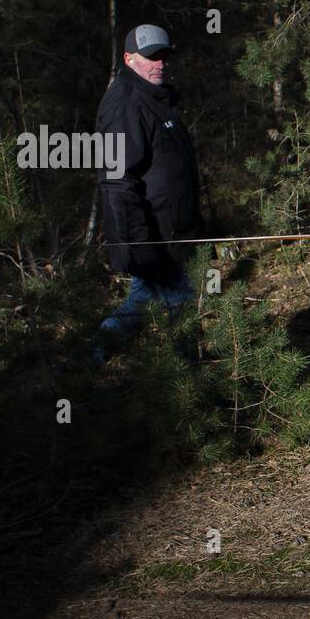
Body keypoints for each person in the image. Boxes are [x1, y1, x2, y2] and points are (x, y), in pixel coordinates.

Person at [91, 24, 204, 365]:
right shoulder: (125, 104)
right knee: (181, 307)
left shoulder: (153, 99)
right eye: (151, 56)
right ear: (129, 59)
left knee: (139, 306)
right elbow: (116, 180)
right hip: (156, 239)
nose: (160, 63)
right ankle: (192, 383)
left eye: (164, 55)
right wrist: (136, 246)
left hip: (173, 236)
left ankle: (89, 360)